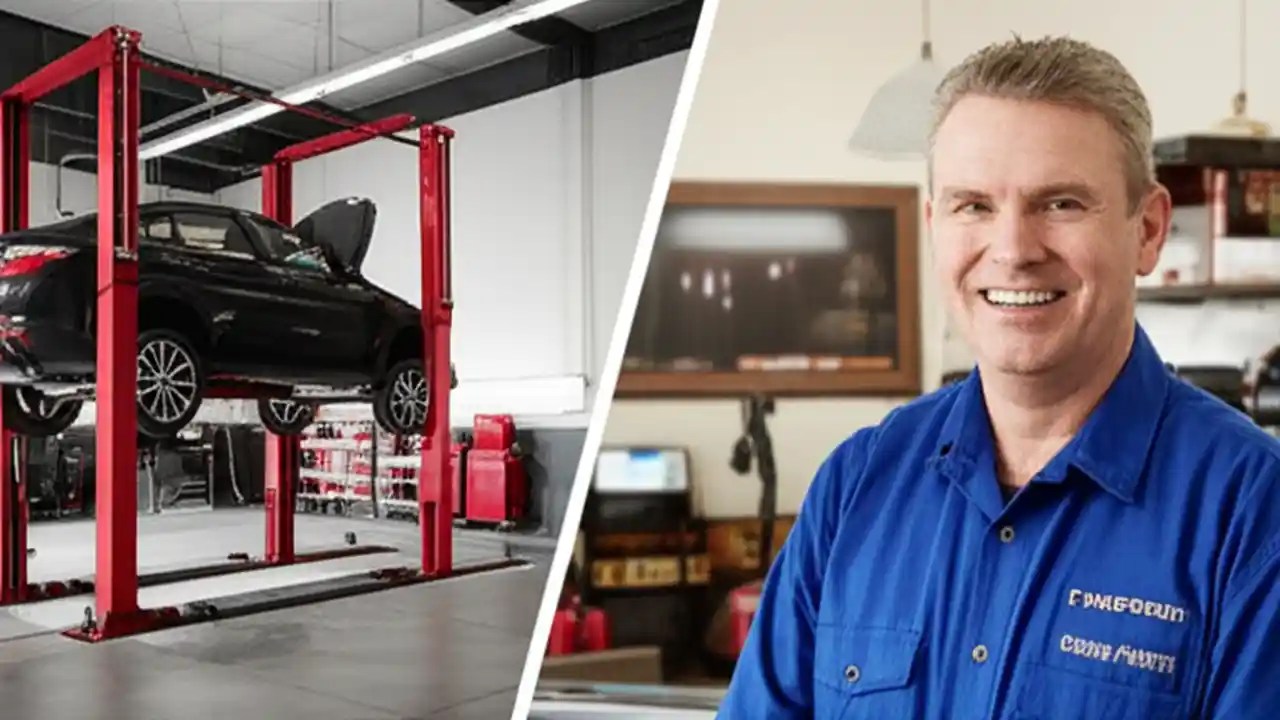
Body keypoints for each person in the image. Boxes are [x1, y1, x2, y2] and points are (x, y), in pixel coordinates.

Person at [718, 36, 1280, 719]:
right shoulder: (855, 486)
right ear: (935, 226)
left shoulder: (1253, 512)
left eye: (1061, 204)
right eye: (974, 206)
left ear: (1149, 230)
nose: (1013, 251)